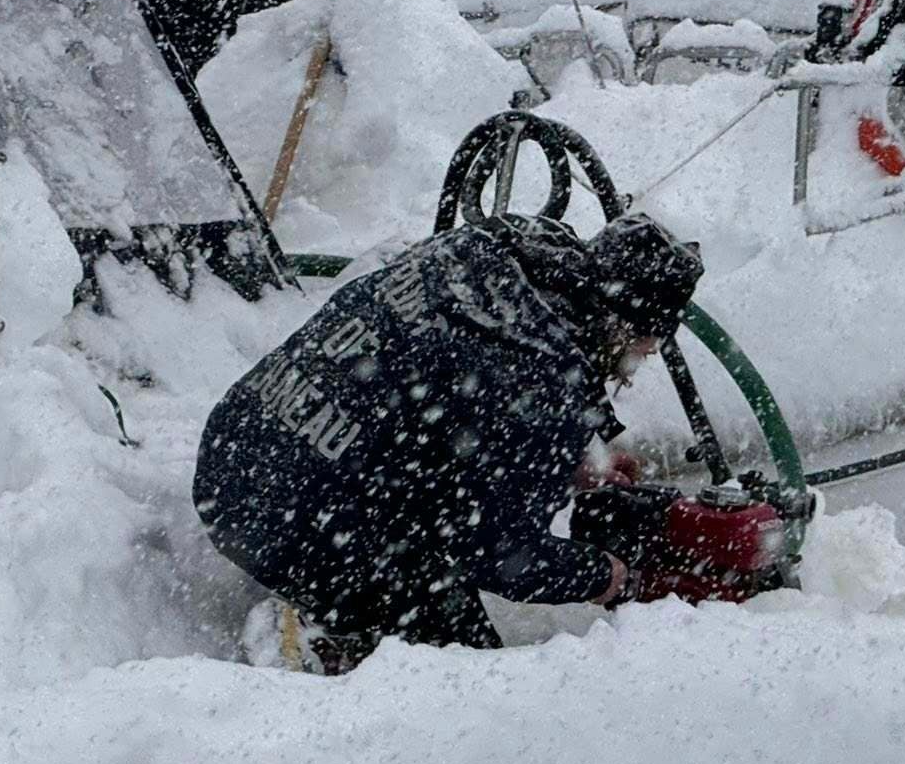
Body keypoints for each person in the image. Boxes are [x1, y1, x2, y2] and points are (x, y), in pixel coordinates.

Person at [192, 213, 705, 673]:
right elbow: (504, 556)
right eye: (649, 342)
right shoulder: (546, 376)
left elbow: (443, 398)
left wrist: (564, 461)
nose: (649, 354)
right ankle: (329, 637)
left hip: (240, 448)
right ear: (624, 324)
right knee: (460, 684)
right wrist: (606, 575)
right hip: (290, 519)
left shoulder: (500, 251)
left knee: (414, 511)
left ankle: (330, 595)